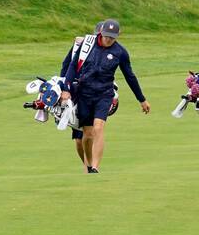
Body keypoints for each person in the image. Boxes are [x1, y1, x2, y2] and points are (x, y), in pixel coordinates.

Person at [58, 19, 150, 173]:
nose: (108, 39)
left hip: (104, 94)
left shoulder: (120, 52)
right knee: (87, 134)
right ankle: (88, 165)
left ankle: (95, 166)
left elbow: (130, 76)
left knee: (98, 127)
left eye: (112, 37)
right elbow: (72, 66)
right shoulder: (87, 45)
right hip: (84, 93)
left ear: (118, 36)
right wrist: (66, 88)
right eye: (106, 36)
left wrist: (141, 99)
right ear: (101, 32)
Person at [59, 24, 117, 172]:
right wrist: (65, 88)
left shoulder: (111, 51)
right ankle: (87, 165)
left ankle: (90, 167)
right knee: (79, 139)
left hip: (96, 95)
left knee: (92, 131)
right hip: (78, 95)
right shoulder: (83, 46)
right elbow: (66, 67)